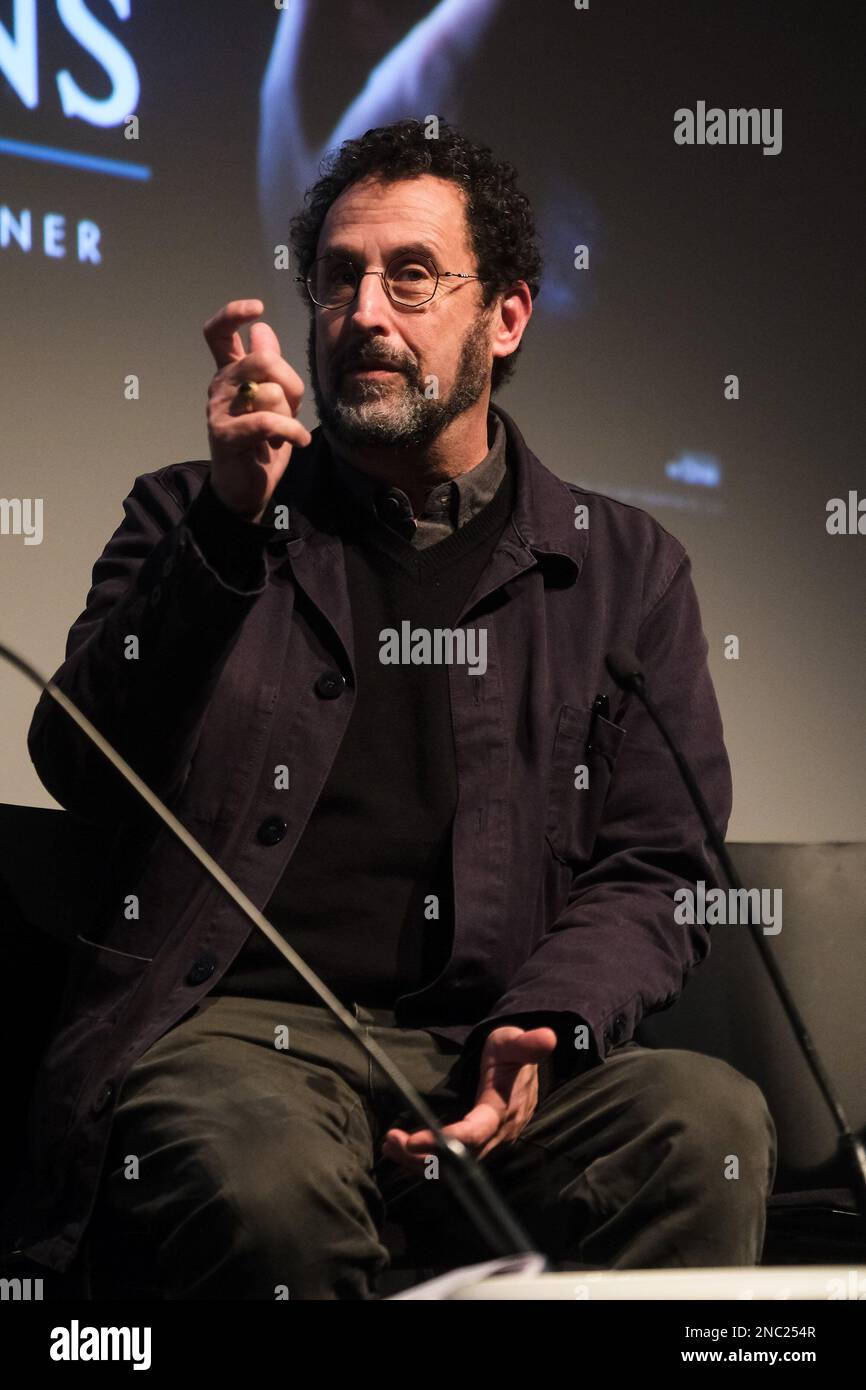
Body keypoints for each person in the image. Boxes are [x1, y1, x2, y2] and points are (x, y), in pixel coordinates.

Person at [3, 119, 775, 1299]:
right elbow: (78, 759)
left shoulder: (621, 569)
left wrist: (551, 1024)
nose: (364, 311)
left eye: (409, 276)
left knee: (696, 1120)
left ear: (504, 317)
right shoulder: (185, 516)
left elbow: (661, 862)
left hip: (492, 1049)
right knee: (256, 1176)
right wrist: (224, 531)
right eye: (337, 278)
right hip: (240, 1045)